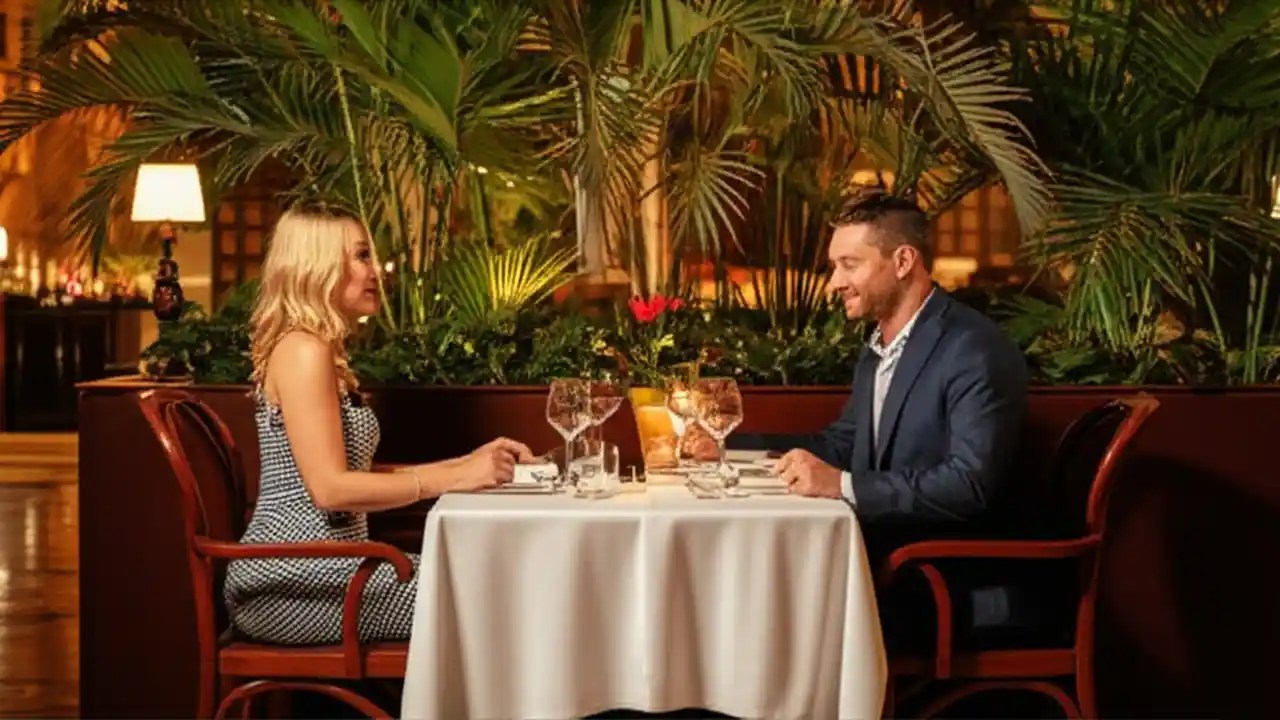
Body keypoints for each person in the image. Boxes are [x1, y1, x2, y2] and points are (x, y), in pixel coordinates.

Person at [740, 186, 1044, 650]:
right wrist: (727, 447)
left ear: (903, 261)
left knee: (771, 603)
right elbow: (842, 444)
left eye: (849, 264)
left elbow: (969, 485)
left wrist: (841, 485)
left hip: (944, 579)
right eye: (833, 266)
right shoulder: (883, 345)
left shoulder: (973, 349)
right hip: (889, 560)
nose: (833, 283)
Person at [224, 203, 534, 645]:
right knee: (496, 590)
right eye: (361, 255)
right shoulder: (303, 350)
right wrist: (454, 477)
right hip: (292, 582)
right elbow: (331, 490)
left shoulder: (314, 348)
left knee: (494, 581)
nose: (376, 271)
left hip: (333, 571)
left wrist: (467, 465)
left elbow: (350, 476)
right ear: (318, 265)